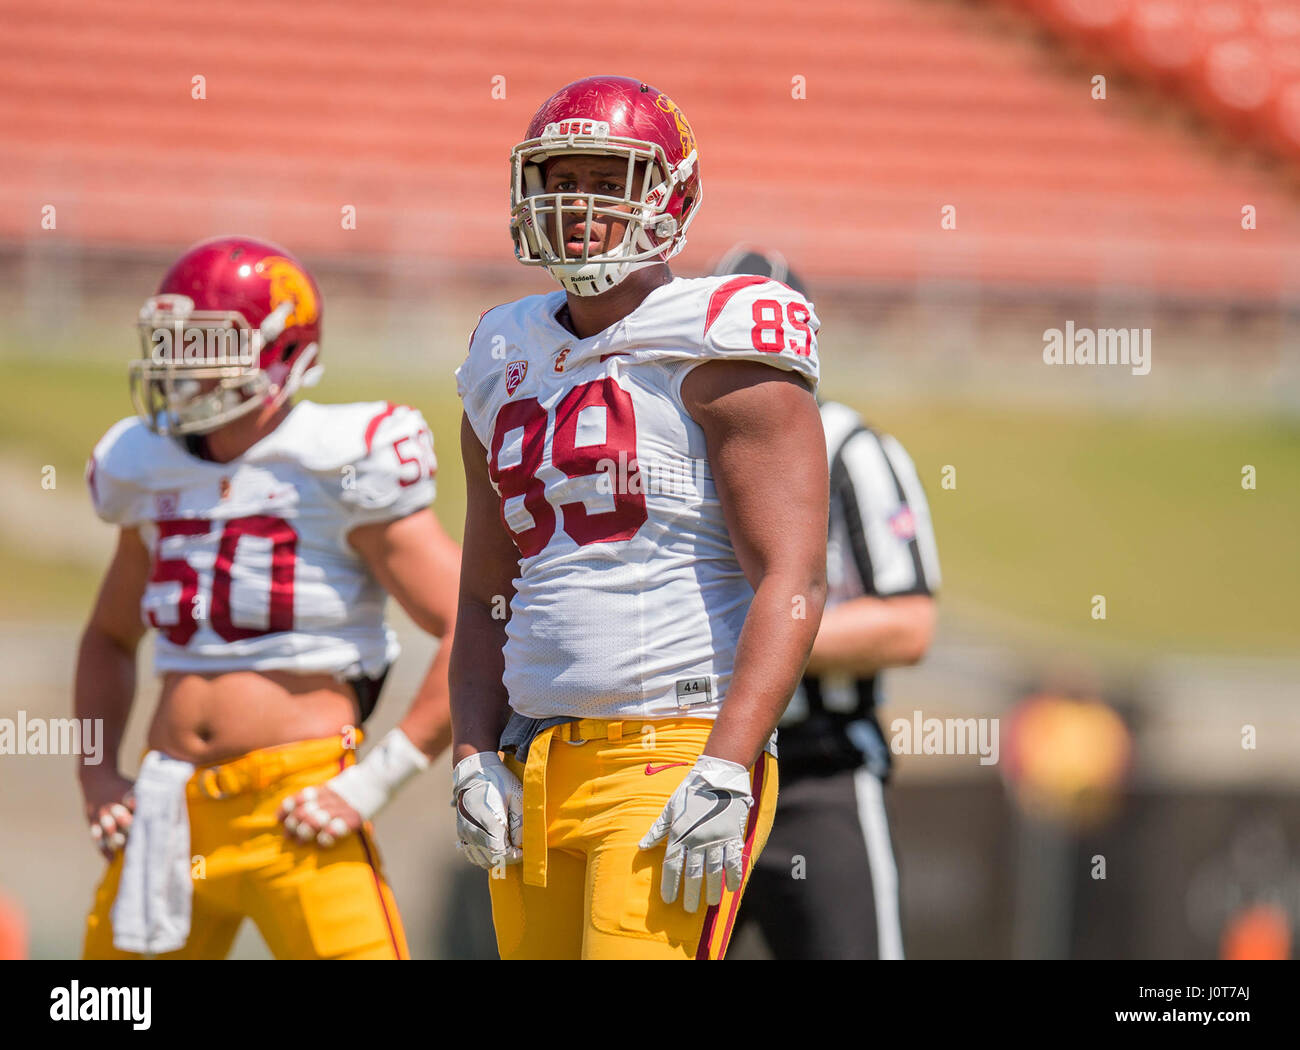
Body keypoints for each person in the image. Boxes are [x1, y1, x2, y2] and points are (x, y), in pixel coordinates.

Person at [449, 75, 829, 960]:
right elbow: (481, 592)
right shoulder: (502, 349)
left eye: (607, 178)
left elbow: (794, 578)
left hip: (673, 746)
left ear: (670, 194)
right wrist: (471, 750)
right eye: (557, 178)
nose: (576, 203)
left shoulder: (720, 333)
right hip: (533, 761)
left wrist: (729, 763)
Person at [77, 236, 460, 960]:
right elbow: (106, 636)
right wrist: (95, 773)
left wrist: (381, 777)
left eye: (206, 345)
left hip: (298, 807)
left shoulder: (342, 457)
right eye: (172, 345)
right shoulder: (147, 465)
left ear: (280, 350)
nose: (181, 368)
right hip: (170, 804)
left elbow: (471, 622)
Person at [717, 246, 940, 960]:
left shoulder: (852, 450)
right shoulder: (678, 439)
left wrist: (757, 643)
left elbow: (907, 626)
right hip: (688, 760)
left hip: (819, 772)